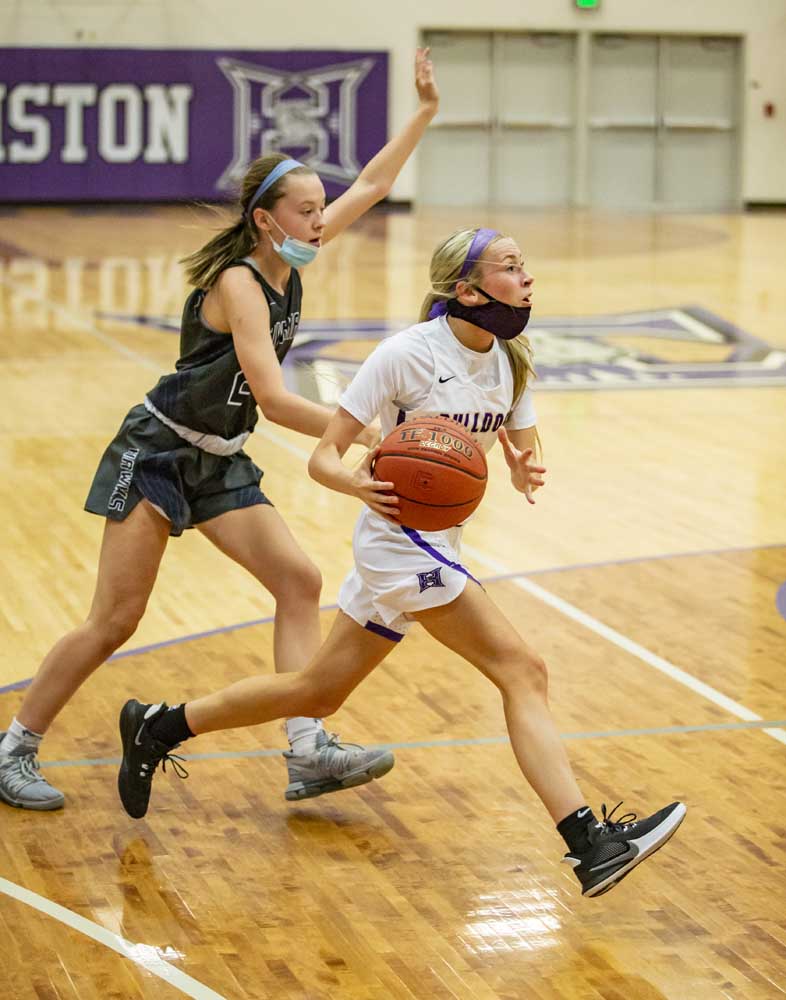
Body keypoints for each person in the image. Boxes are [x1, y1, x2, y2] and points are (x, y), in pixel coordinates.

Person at [117, 226, 686, 897]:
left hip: (433, 544)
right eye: (511, 266)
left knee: (315, 691)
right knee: (523, 670)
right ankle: (589, 843)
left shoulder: (510, 358)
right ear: (467, 289)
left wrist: (520, 462)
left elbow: (510, 433)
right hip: (398, 548)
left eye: (525, 265)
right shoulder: (404, 357)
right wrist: (355, 482)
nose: (527, 277)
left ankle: (158, 725)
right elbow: (324, 457)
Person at [0, 50, 441, 812]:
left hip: (220, 460)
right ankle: (15, 746)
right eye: (308, 211)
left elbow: (370, 184)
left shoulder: (289, 250)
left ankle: (306, 750)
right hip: (160, 452)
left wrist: (425, 113)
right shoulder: (238, 279)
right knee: (115, 620)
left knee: (299, 581)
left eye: (320, 207)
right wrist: (369, 436)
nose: (322, 218)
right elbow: (271, 398)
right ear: (266, 220)